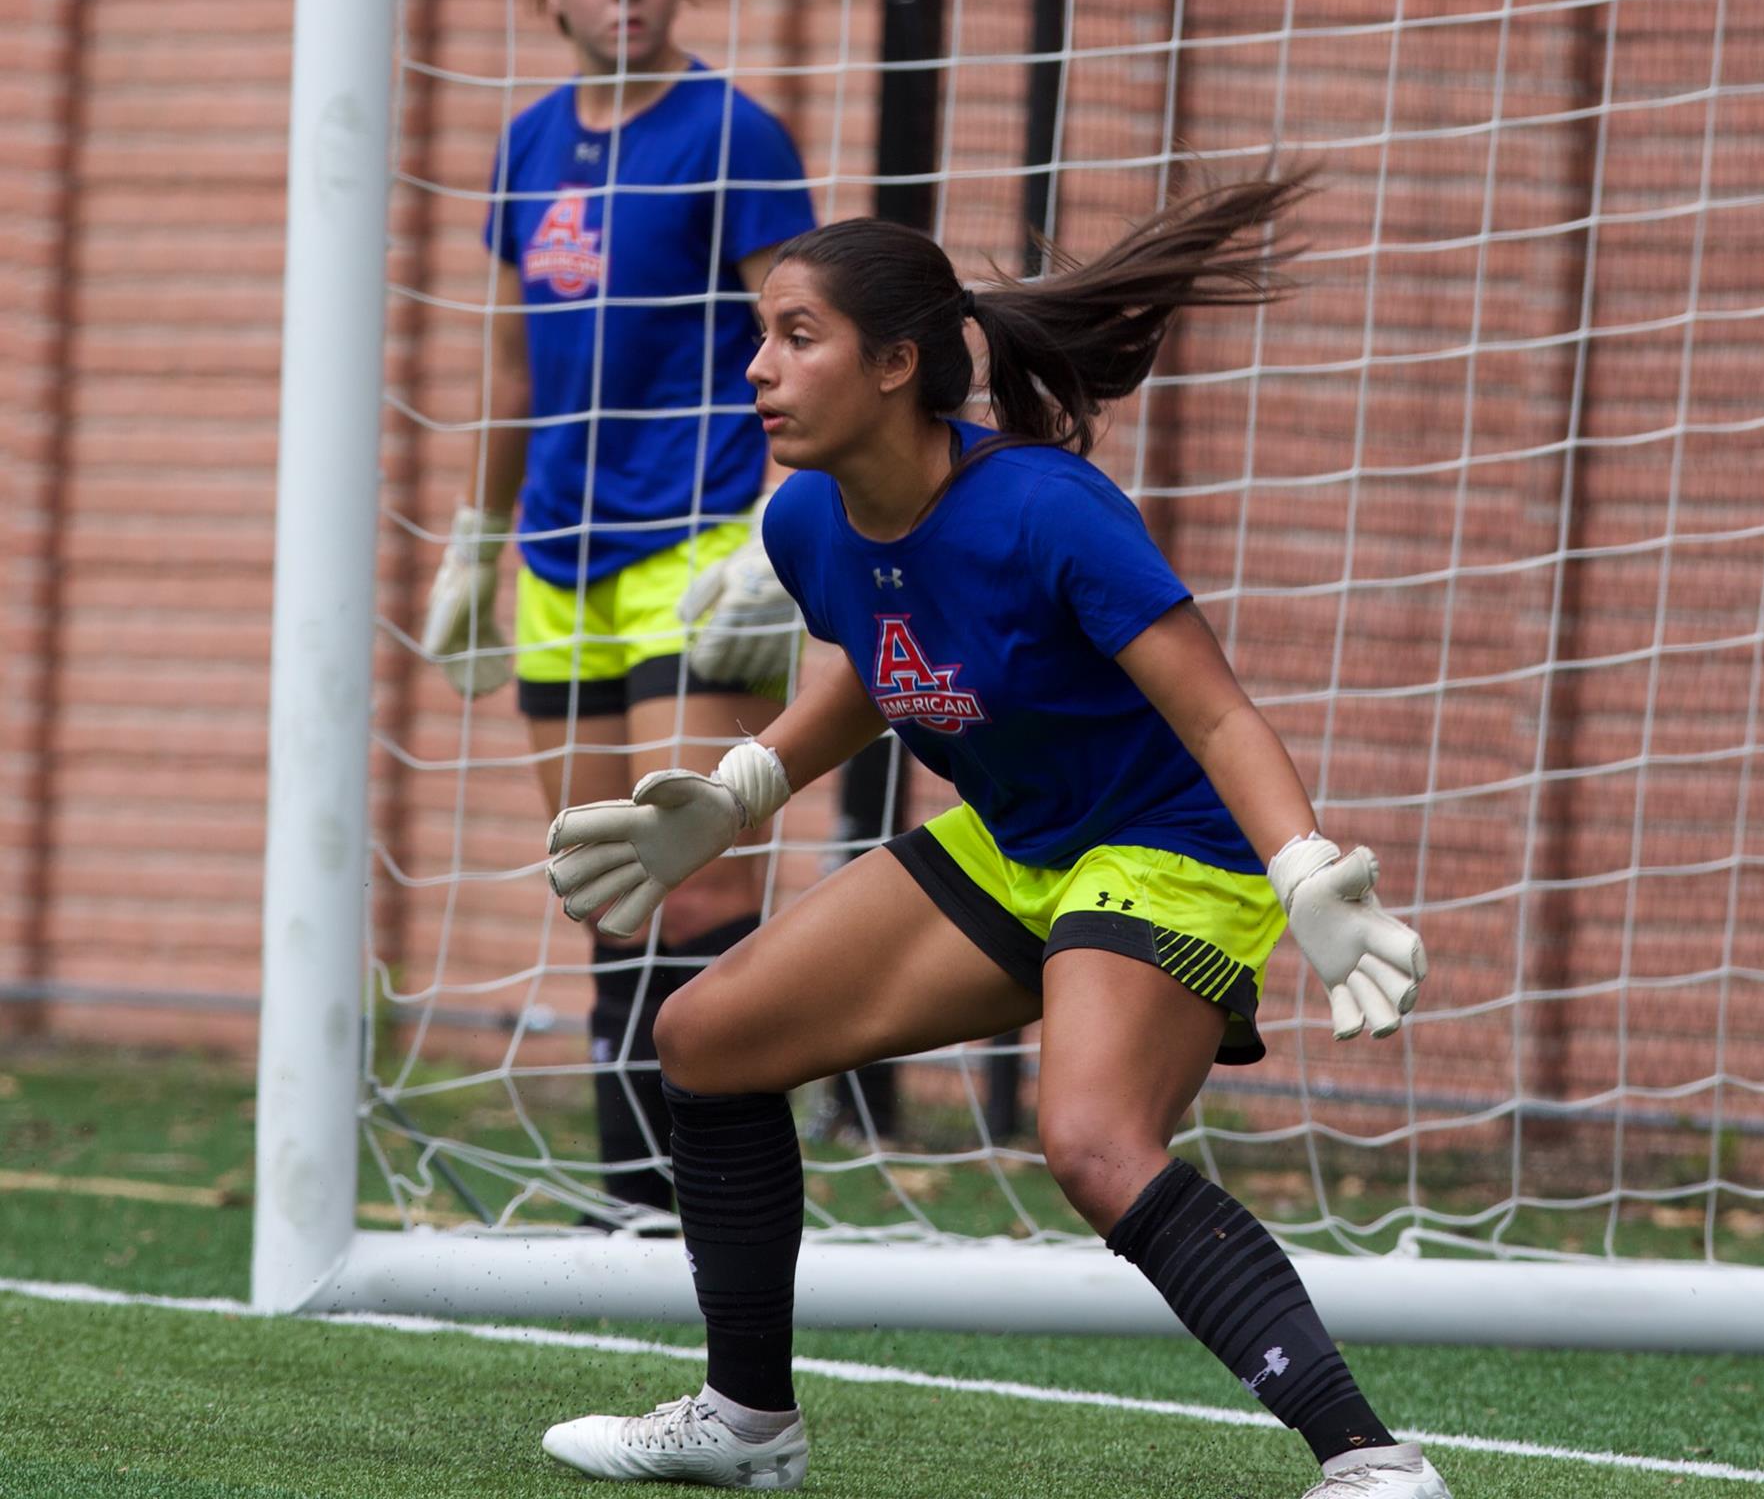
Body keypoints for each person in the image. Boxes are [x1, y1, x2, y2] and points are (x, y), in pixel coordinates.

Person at [537, 181, 1450, 1499]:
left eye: (798, 335)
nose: (758, 367)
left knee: (1088, 1142)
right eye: (761, 335)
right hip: (1016, 842)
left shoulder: (1048, 509)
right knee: (704, 1038)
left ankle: (1367, 1458)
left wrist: (1303, 868)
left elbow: (1214, 707)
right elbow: (883, 666)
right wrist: (744, 789)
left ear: (897, 364)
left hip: (1163, 848)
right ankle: (746, 1421)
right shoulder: (805, 519)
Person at [421, 0, 812, 1219]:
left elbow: (801, 334)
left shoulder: (733, 132)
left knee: (698, 892)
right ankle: (626, 1203)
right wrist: (479, 531)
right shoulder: (527, 141)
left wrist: (782, 525)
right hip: (556, 555)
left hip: (695, 545)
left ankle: (723, 1202)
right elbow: (510, 365)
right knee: (606, 890)